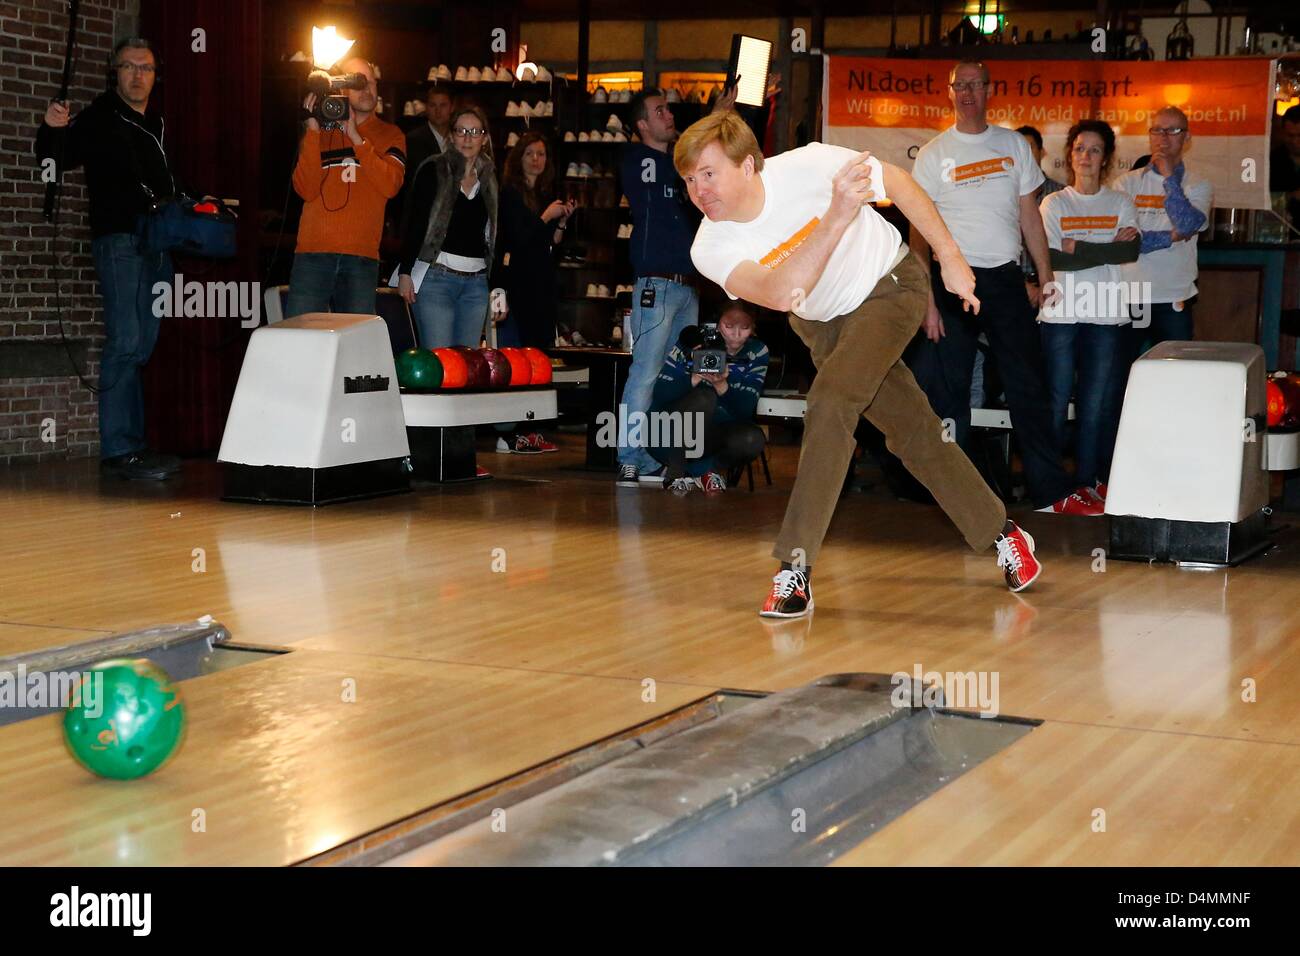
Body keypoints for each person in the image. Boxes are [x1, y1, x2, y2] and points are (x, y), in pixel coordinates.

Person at [675, 110, 1044, 618]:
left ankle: (794, 570)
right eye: (690, 180)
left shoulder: (809, 166)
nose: (699, 190)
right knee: (914, 432)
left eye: (709, 174)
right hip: (822, 324)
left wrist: (951, 258)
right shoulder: (709, 245)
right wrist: (835, 216)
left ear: (748, 165)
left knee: (829, 402)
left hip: (889, 289)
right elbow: (783, 294)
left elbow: (900, 183)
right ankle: (1005, 533)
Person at [910, 60, 1101, 518]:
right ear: (950, 91)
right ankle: (959, 496)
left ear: (989, 90)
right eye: (961, 86)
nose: (968, 93)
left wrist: (1046, 273)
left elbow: (1029, 216)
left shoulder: (1014, 145)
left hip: (1004, 279)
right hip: (951, 281)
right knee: (948, 394)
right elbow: (918, 232)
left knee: (1027, 385)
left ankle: (1050, 494)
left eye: (976, 85)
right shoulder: (935, 154)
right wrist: (927, 300)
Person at [35, 37, 181, 481]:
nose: (138, 75)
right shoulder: (100, 116)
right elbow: (52, 159)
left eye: (147, 68)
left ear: (156, 76)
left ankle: (133, 445)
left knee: (142, 343)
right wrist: (51, 127)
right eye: (129, 67)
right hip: (120, 241)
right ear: (114, 73)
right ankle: (120, 450)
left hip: (157, 240)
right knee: (125, 341)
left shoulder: (155, 121)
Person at [1038, 120, 1139, 501]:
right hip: (1060, 313)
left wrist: (1076, 248)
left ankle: (1086, 483)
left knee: (1095, 404)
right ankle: (1048, 485)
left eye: (1095, 149)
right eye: (1080, 148)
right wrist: (1102, 249)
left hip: (1107, 315)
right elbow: (1048, 258)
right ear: (1070, 155)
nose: (1086, 156)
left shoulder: (1120, 202)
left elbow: (1129, 251)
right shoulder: (1054, 202)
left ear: (1107, 158)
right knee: (1056, 399)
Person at [615, 88, 704, 486]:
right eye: (659, 111)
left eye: (668, 109)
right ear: (642, 125)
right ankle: (629, 456)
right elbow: (671, 174)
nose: (668, 115)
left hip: (688, 285)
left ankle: (659, 455)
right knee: (646, 372)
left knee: (675, 375)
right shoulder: (640, 160)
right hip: (657, 284)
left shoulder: (674, 163)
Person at [288, 56, 406, 318]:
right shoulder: (319, 132)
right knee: (301, 340)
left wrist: (355, 136)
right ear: (340, 88)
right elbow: (305, 190)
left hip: (361, 258)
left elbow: (391, 185)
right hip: (312, 254)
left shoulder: (392, 134)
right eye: (357, 83)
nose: (366, 90)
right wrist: (312, 130)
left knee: (354, 350)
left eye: (371, 83)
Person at [397, 104, 505, 348]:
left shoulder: (491, 179)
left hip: (477, 284)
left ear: (485, 139)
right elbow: (415, 222)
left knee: (467, 366)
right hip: (436, 279)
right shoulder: (433, 169)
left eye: (475, 132)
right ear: (451, 136)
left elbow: (497, 236)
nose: (468, 138)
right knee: (441, 363)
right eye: (461, 131)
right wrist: (405, 271)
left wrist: (499, 287)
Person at [493, 131, 575, 454]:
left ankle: (530, 427)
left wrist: (561, 222)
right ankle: (510, 430)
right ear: (519, 158)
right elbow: (520, 239)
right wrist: (546, 218)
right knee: (518, 357)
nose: (537, 160)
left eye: (541, 154)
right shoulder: (511, 194)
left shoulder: (543, 193)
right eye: (531, 154)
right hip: (519, 283)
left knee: (539, 356)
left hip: (541, 282)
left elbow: (549, 243)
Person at [1114, 106, 1213, 354]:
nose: (1163, 137)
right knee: (1123, 373)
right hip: (1132, 293)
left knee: (1174, 375)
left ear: (1187, 138)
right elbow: (1122, 240)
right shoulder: (1127, 182)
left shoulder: (1198, 183)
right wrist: (1171, 237)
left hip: (1174, 295)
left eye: (1173, 130)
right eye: (1157, 130)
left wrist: (1170, 180)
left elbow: (1187, 224)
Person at [647, 302, 769, 495]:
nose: (736, 334)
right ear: (717, 324)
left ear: (753, 328)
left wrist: (722, 385)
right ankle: (680, 471)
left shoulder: (757, 351)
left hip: (711, 435)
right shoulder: (693, 341)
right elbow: (661, 394)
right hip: (666, 432)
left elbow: (745, 410)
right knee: (704, 398)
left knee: (751, 439)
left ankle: (699, 469)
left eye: (744, 328)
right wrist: (694, 377)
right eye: (729, 327)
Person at [1268, 105, 1300, 227]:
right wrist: (1289, 196)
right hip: (1281, 230)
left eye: (1299, 135)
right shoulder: (1272, 160)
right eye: (1290, 136)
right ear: (1282, 133)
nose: (1295, 141)